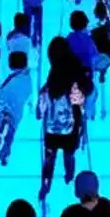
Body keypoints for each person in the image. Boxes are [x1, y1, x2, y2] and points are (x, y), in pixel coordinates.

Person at [38, 37, 92, 199]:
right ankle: (69, 175)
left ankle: (45, 185)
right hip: (72, 125)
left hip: (52, 127)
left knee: (49, 157)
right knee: (69, 154)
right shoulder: (77, 71)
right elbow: (86, 92)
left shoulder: (52, 78)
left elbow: (41, 108)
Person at [0, 50, 32, 166]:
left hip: (5, 110)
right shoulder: (26, 78)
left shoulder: (14, 78)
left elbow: (3, 94)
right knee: (9, 134)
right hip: (16, 112)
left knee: (0, 132)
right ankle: (4, 154)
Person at [89, 24, 110, 121]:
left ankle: (92, 112)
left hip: (96, 59)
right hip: (103, 59)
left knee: (92, 83)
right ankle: (95, 111)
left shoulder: (95, 32)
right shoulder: (106, 32)